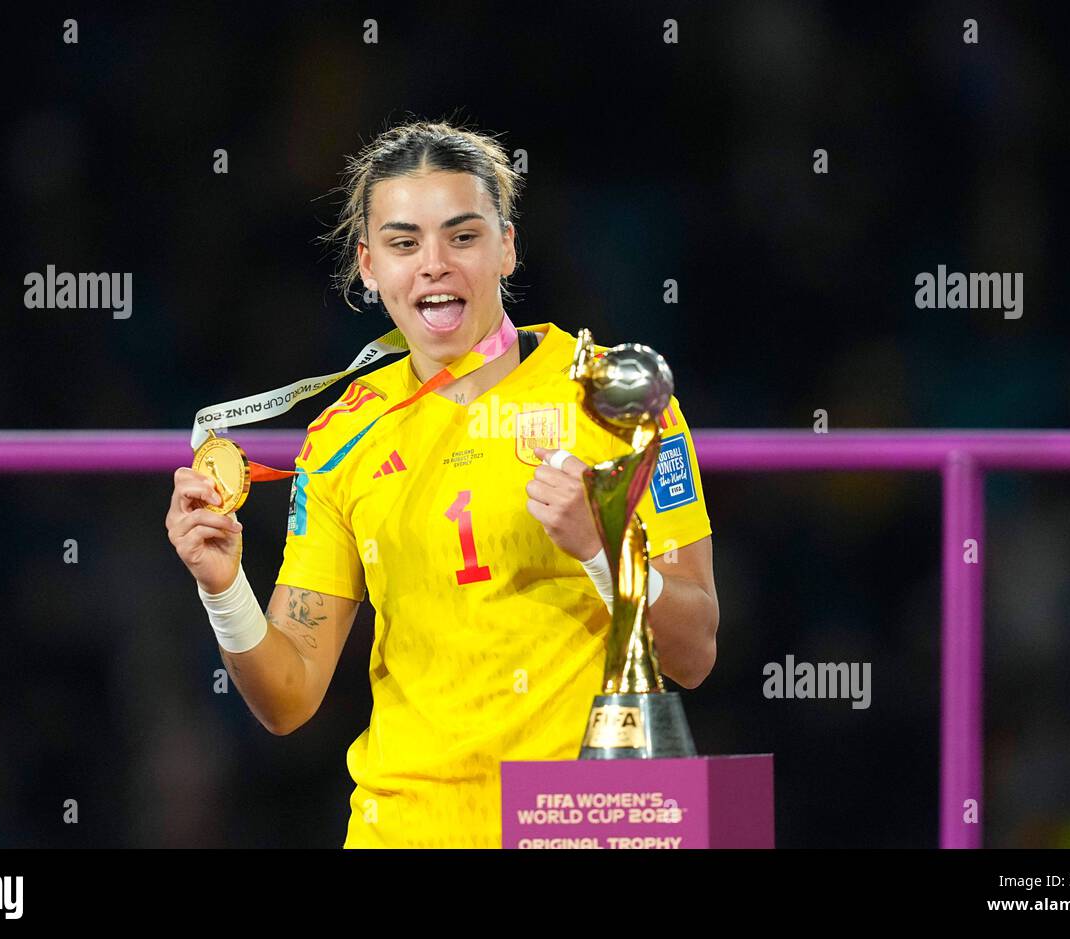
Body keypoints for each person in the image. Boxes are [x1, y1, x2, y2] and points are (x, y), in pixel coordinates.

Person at [166, 120, 719, 848]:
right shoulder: (343, 434)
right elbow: (288, 697)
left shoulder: (616, 396)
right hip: (404, 827)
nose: (434, 265)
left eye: (463, 236)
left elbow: (695, 649)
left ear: (507, 245)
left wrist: (602, 548)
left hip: (579, 822)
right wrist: (224, 587)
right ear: (368, 265)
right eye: (403, 243)